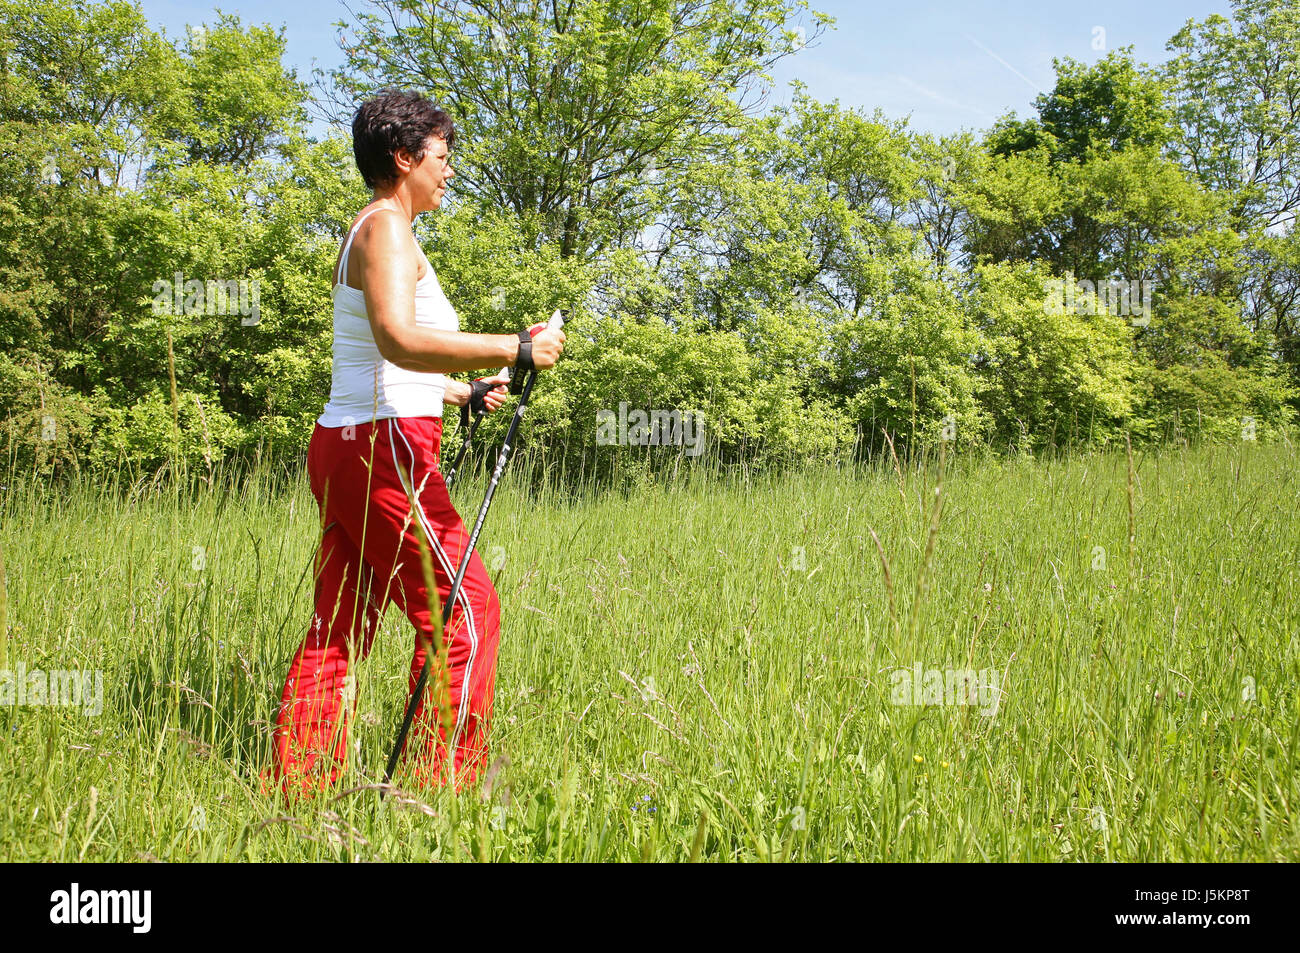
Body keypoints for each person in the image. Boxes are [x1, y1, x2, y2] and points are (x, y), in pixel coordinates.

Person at [267, 88, 565, 796]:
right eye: (441, 156)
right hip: (383, 450)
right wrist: (516, 348)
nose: (449, 170)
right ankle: (443, 786)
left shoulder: (372, 229)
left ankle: (300, 787)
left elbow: (375, 356)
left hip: (349, 443)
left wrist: (462, 390)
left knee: (338, 625)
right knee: (466, 609)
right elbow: (398, 337)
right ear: (403, 158)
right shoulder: (387, 229)